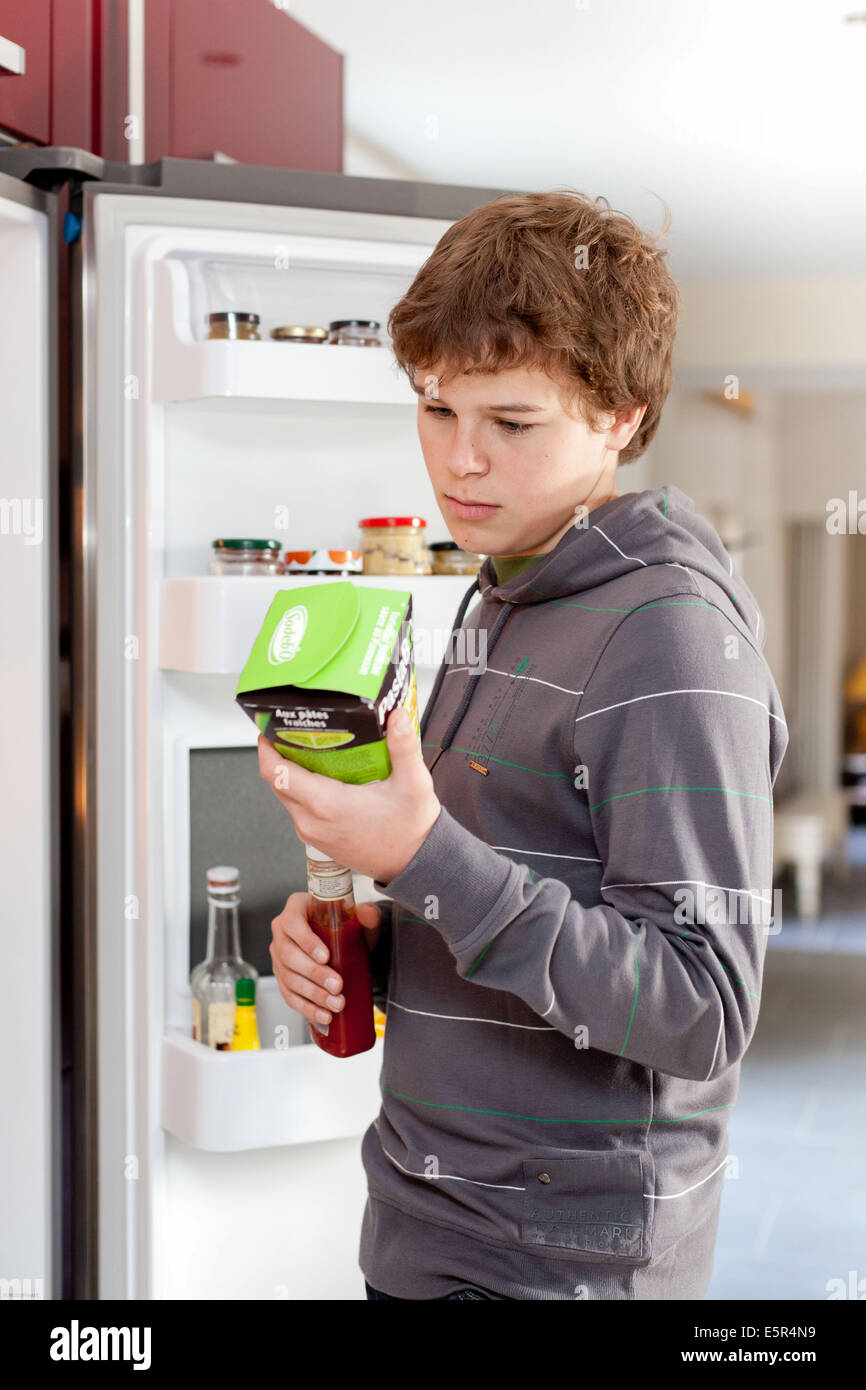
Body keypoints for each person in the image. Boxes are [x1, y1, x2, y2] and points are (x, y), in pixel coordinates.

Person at [259, 189, 789, 1300]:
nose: (460, 462)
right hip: (424, 1224)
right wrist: (369, 938)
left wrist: (419, 855)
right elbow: (516, 891)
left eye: (509, 423)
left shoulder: (669, 637)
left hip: (557, 1272)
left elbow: (702, 1008)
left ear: (621, 416)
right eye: (434, 409)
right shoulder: (500, 595)